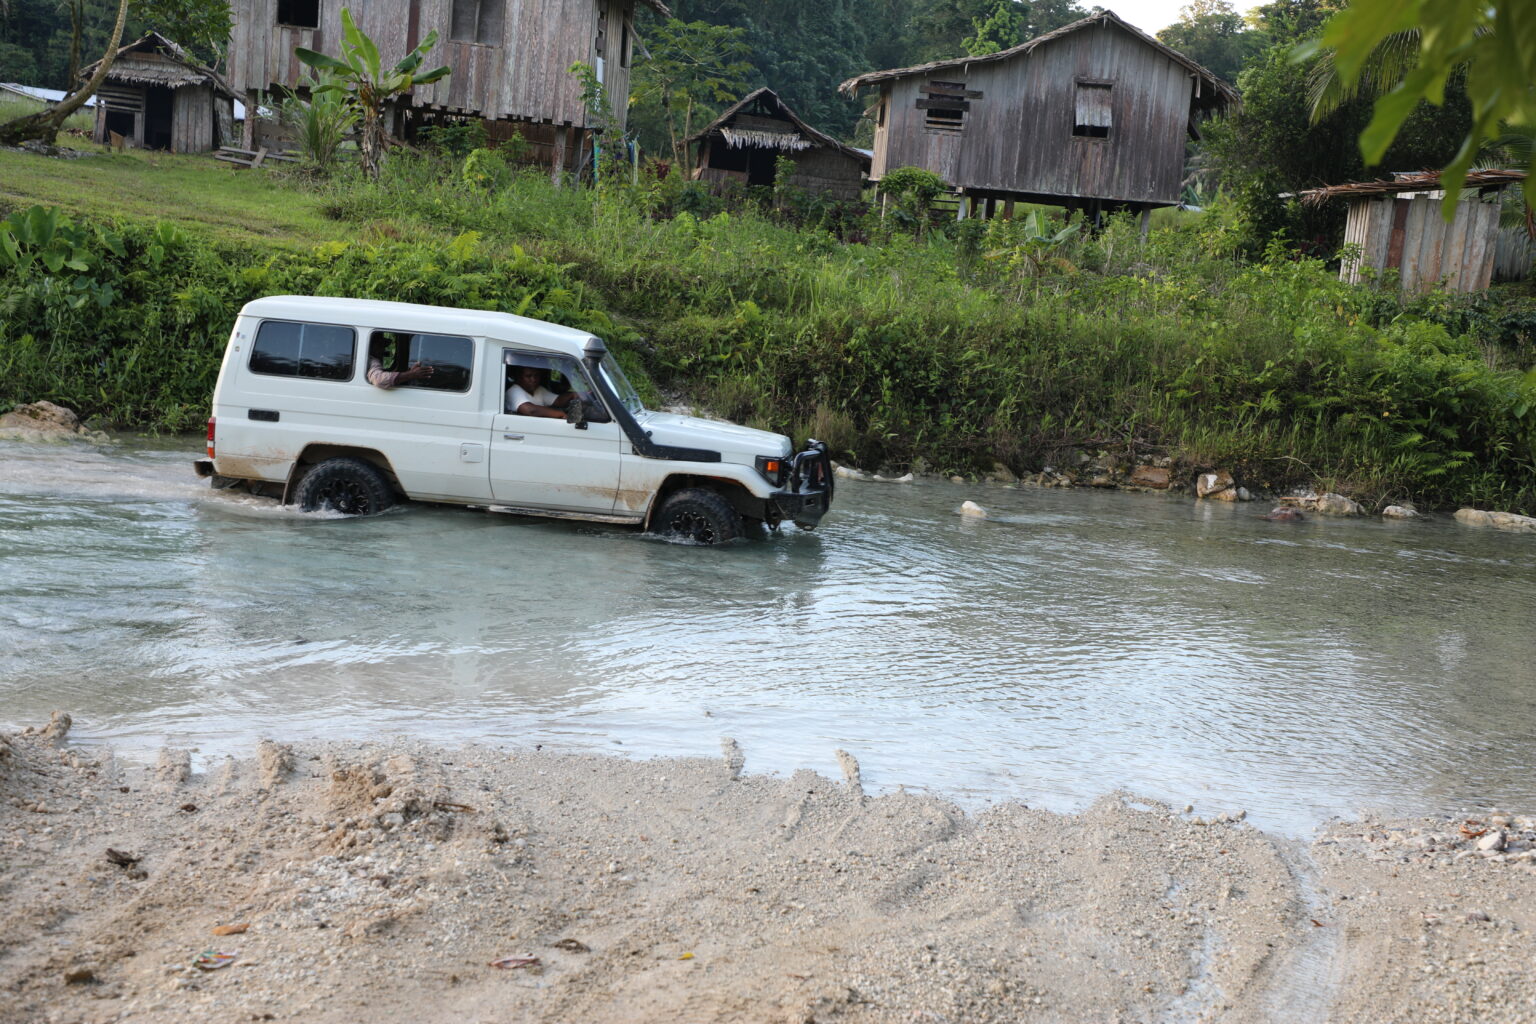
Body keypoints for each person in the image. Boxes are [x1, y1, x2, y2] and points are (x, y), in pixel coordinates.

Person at [506, 364, 578, 419]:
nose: (533, 380)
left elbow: (558, 401)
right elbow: (531, 410)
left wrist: (573, 394)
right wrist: (561, 414)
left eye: (536, 375)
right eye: (528, 376)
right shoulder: (513, 391)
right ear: (519, 377)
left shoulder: (539, 389)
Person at [367, 338, 434, 389]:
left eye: (384, 347)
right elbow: (379, 380)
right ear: (372, 346)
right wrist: (412, 374)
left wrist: (410, 372)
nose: (383, 350)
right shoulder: (373, 360)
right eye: (380, 346)